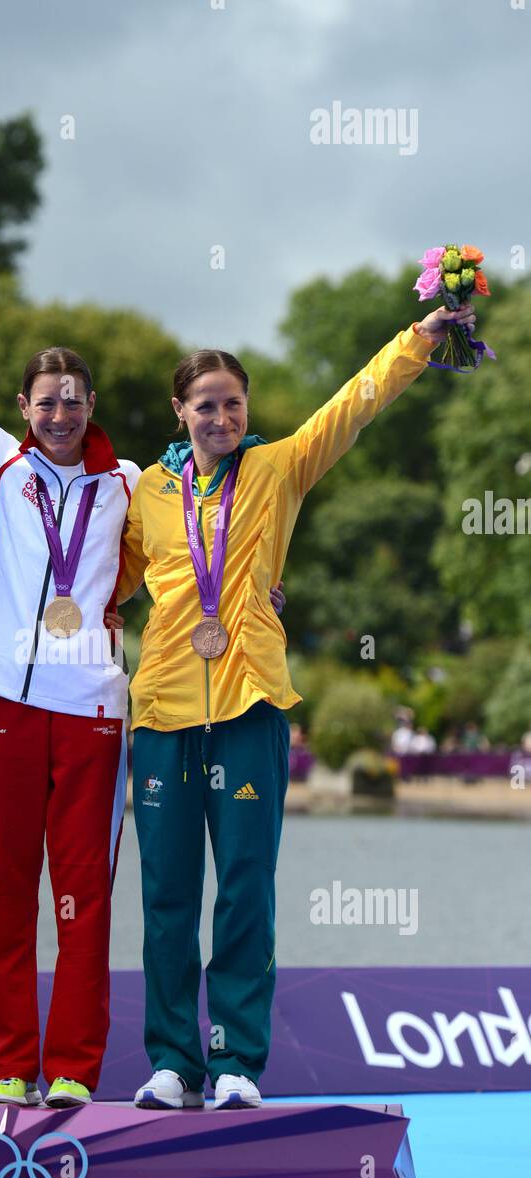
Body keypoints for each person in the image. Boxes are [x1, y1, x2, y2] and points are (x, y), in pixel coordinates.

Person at [0, 235, 287, 1108]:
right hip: (5, 703)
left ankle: (78, 1072)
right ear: (22, 406)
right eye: (46, 403)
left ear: (91, 408)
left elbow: (189, 536)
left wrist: (260, 580)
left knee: (84, 895)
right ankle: (12, 1065)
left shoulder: (132, 482)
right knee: (6, 888)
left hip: (93, 706)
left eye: (74, 403)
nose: (59, 415)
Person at [118, 299, 477, 1111]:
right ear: (181, 411)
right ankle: (173, 1063)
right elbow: (107, 580)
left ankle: (236, 1060)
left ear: (247, 411)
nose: (219, 415)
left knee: (246, 887)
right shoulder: (145, 490)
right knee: (167, 897)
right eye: (204, 404)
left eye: (232, 403)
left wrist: (418, 339)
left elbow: (353, 403)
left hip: (250, 706)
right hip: (163, 713)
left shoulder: (278, 467)